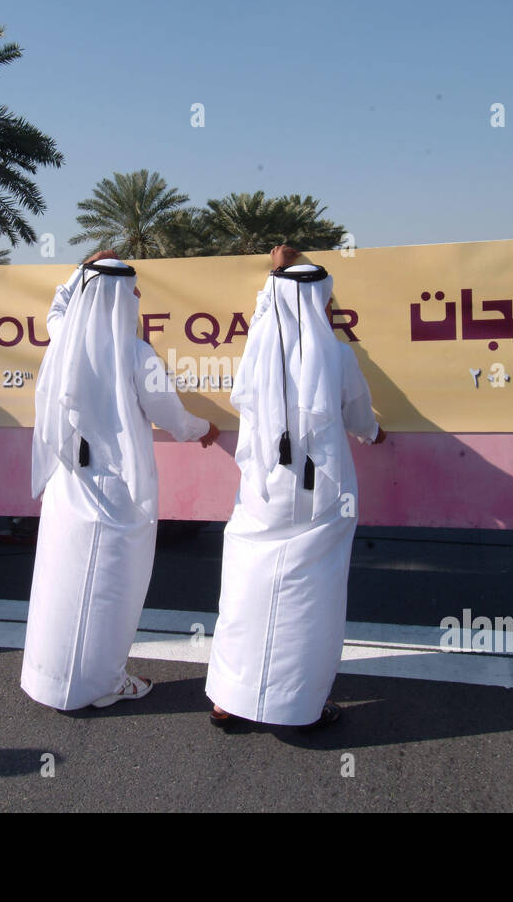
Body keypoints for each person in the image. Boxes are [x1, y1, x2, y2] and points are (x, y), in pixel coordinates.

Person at [23, 250, 220, 710]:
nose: (136, 294)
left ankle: (50, 679)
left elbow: (60, 303)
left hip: (68, 487)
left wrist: (87, 266)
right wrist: (202, 430)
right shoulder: (136, 353)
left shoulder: (61, 337)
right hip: (116, 494)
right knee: (111, 591)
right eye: (131, 288)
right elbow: (170, 415)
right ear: (117, 298)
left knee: (63, 584)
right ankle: (101, 684)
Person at [205, 246, 386, 731]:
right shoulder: (337, 353)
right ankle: (298, 705)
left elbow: (272, 307)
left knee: (246, 589)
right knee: (310, 594)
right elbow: (358, 415)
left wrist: (276, 273)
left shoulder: (258, 348)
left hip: (262, 491)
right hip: (320, 494)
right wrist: (374, 434)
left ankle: (228, 699)